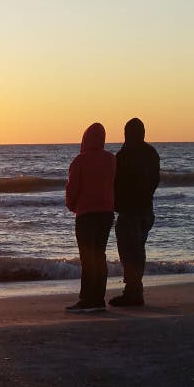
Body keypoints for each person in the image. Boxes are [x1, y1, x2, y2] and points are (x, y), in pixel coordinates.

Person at [65, 123, 116, 312]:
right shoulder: (111, 159)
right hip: (106, 213)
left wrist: (72, 206)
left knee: (87, 257)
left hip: (86, 214)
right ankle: (98, 298)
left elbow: (72, 188)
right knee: (99, 254)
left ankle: (87, 299)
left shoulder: (80, 160)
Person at [110, 118, 160, 306]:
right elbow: (155, 180)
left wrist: (117, 203)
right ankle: (134, 290)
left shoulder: (124, 155)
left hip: (129, 211)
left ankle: (133, 292)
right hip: (146, 210)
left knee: (128, 252)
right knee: (138, 251)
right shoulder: (151, 152)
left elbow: (116, 182)